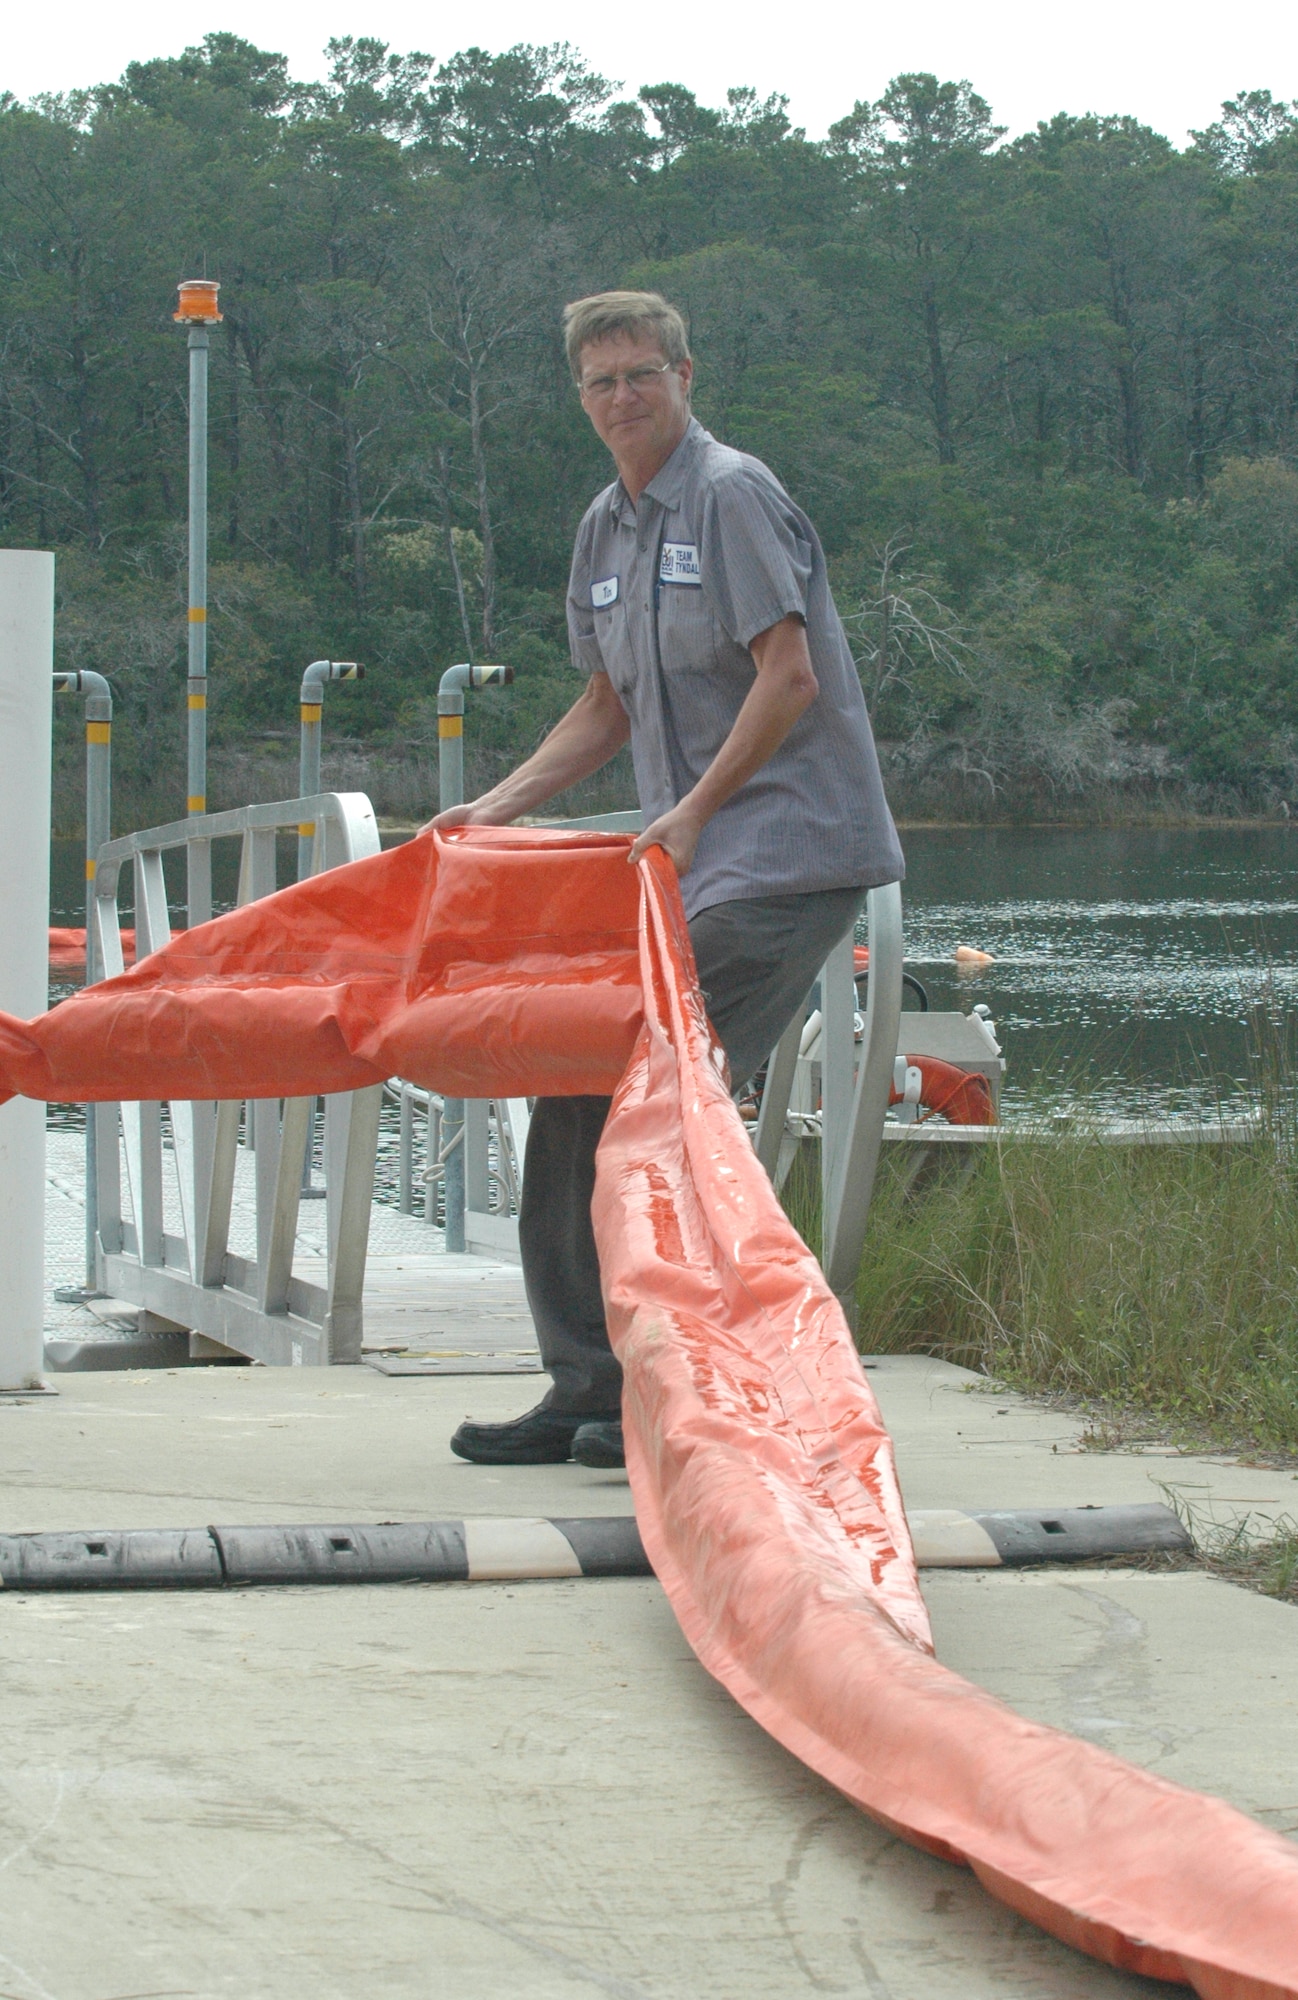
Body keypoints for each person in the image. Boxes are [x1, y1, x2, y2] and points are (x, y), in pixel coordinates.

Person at [432, 290, 904, 1470]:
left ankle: (690, 1386)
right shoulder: (603, 527)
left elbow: (786, 675)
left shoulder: (732, 494)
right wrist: (489, 808)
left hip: (784, 854)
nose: (622, 397)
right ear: (580, 399)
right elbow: (604, 705)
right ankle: (589, 1387)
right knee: (579, 1081)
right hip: (690, 866)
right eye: (601, 382)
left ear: (686, 376)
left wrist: (691, 809)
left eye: (642, 374)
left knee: (647, 1089)